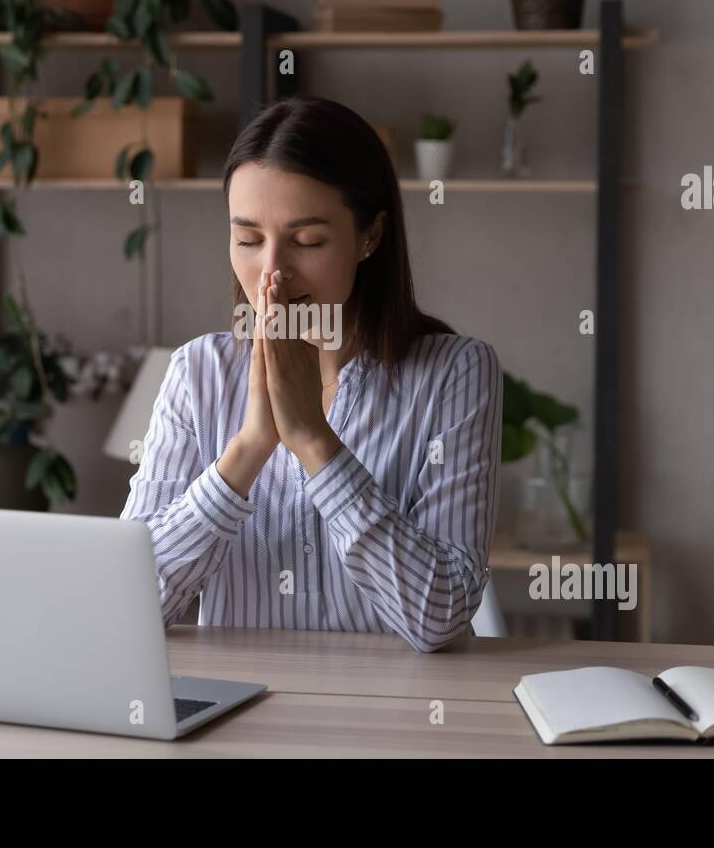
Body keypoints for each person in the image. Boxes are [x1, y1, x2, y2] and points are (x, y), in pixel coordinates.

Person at [121, 95, 502, 652]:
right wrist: (249, 447)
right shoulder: (196, 373)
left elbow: (439, 618)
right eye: (248, 239)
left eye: (307, 241)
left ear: (370, 236)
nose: (272, 271)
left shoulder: (455, 374)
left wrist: (312, 440)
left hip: (399, 723)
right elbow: (128, 606)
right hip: (238, 724)